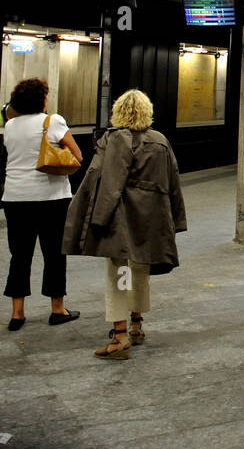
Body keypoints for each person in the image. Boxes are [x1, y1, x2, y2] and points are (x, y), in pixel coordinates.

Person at [63, 89, 186, 360]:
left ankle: (118, 336)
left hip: (119, 216)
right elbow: (173, 180)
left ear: (118, 111)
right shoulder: (160, 141)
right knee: (140, 268)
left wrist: (95, 220)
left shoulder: (112, 140)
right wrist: (175, 219)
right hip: (151, 216)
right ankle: (136, 324)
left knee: (118, 271)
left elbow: (100, 179)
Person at [0, 77, 84, 331]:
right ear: (42, 99)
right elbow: (77, 155)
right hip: (51, 198)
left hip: (15, 199)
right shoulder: (53, 121)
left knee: (20, 255)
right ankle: (57, 309)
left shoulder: (10, 126)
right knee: (54, 254)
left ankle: (17, 313)